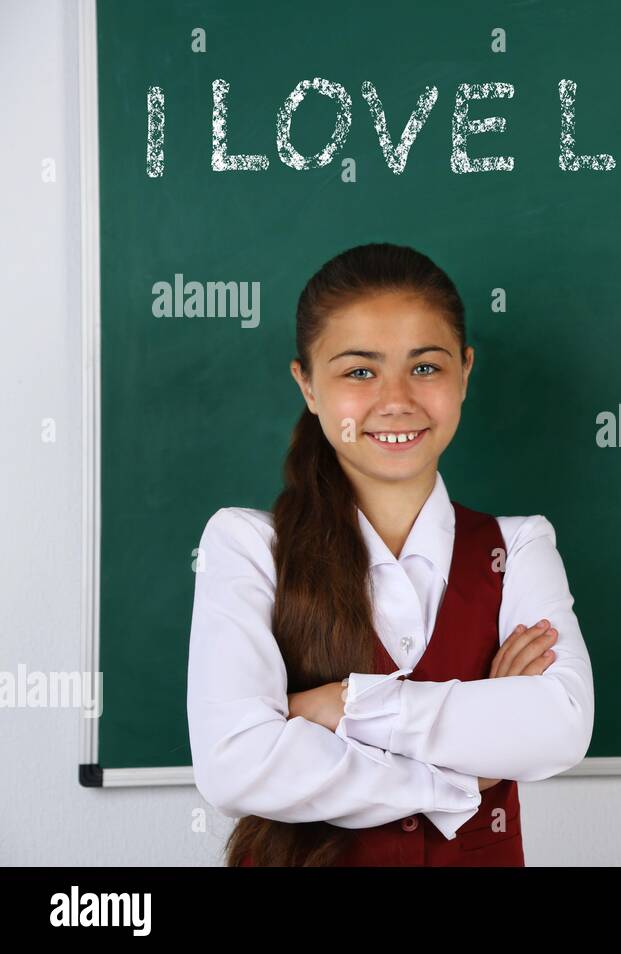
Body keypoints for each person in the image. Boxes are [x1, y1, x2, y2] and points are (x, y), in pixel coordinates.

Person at [186, 242, 595, 866]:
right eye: (358, 371)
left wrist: (346, 705)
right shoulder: (248, 545)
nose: (397, 399)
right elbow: (234, 767)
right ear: (308, 385)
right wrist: (458, 773)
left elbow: (560, 725)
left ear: (465, 372)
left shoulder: (518, 546)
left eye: (425, 368)